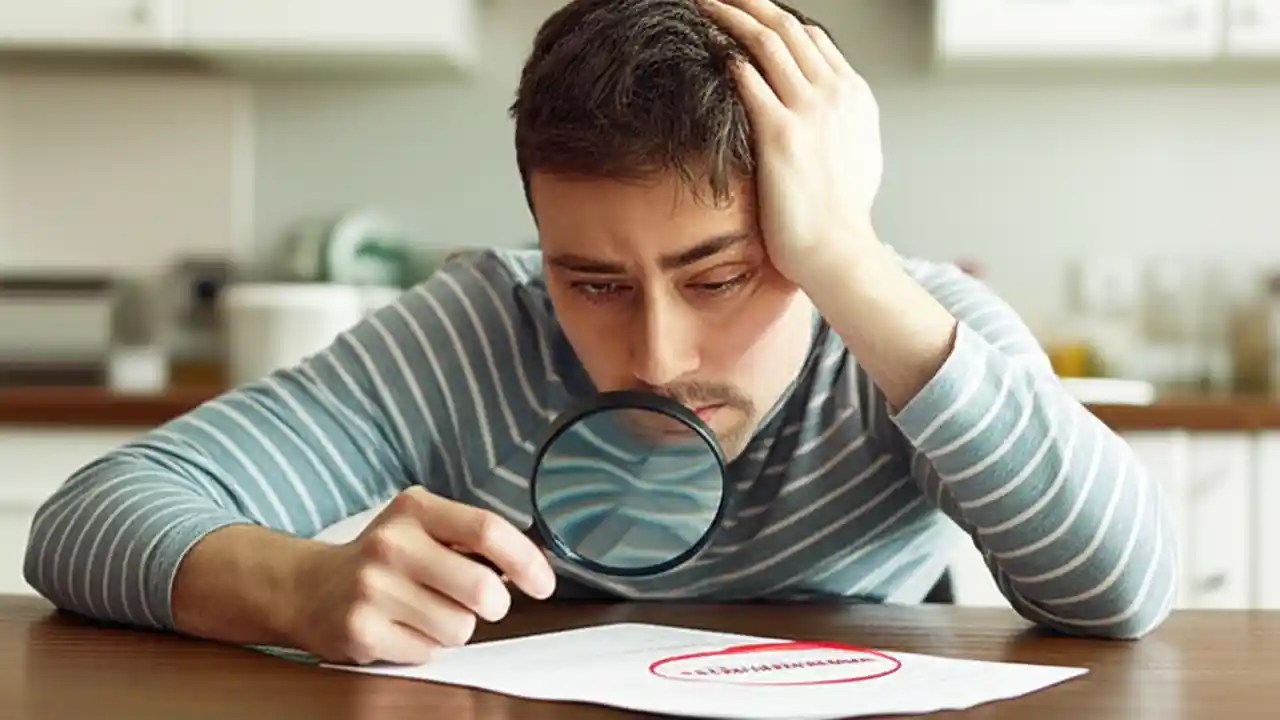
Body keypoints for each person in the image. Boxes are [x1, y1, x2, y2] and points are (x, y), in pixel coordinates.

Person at [23, 0, 1177, 665]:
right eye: (594, 283)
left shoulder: (905, 326)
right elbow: (85, 518)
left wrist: (846, 259)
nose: (660, 356)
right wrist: (299, 589)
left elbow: (1118, 593)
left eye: (720, 275)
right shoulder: (474, 329)